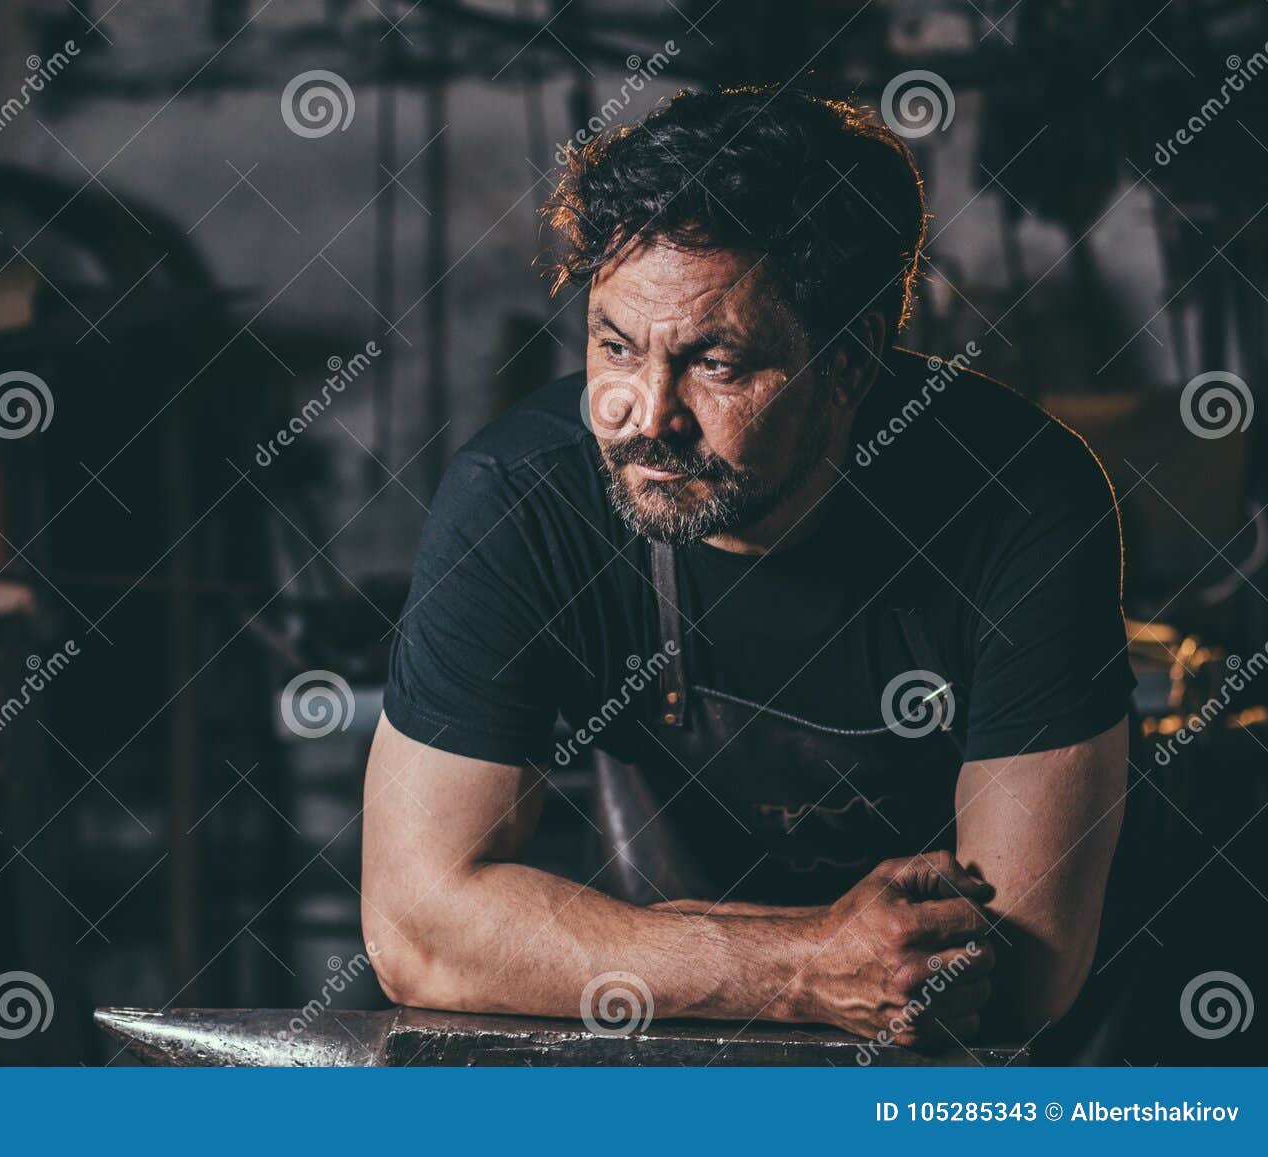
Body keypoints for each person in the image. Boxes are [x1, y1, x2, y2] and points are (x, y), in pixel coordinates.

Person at [361, 86, 1132, 1050]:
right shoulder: (521, 497)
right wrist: (808, 962)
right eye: (615, 347)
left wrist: (627, 947)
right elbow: (416, 932)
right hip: (691, 1049)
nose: (645, 416)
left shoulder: (1022, 498)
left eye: (716, 364)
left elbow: (1019, 974)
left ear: (850, 365)